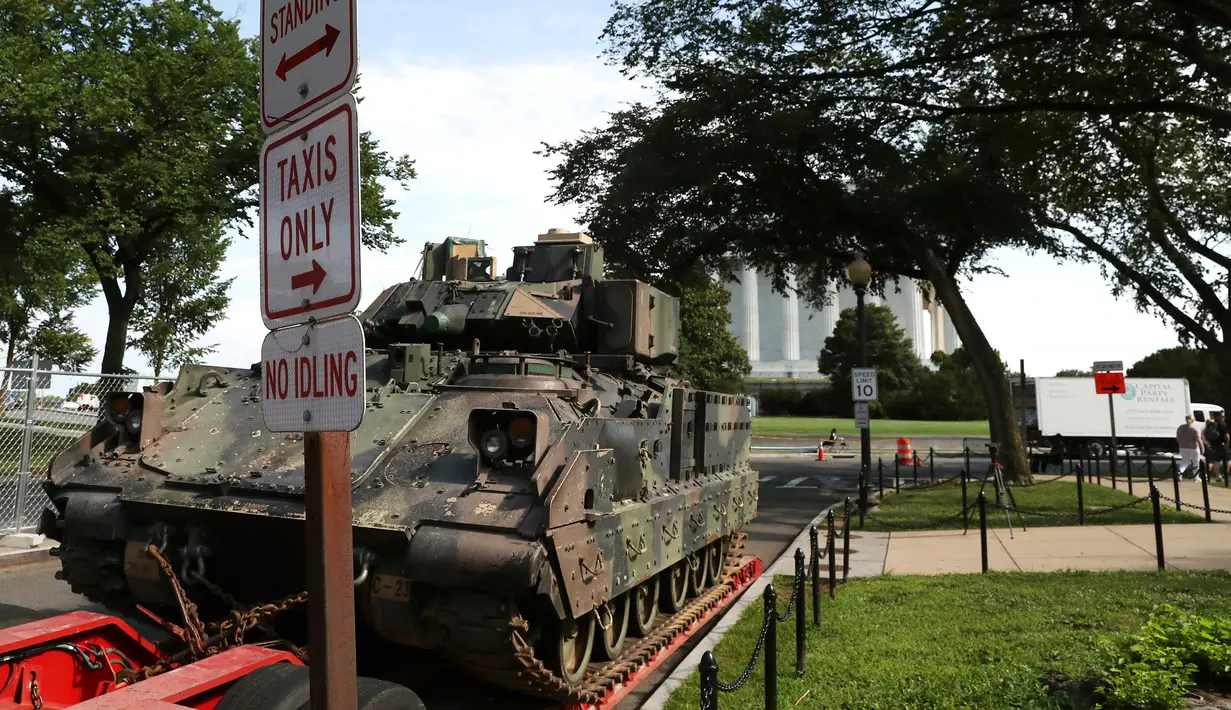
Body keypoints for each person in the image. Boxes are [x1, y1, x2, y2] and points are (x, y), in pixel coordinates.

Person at [1177, 415, 1204, 480]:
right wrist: (1202, 448)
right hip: (1193, 447)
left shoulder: (1181, 427)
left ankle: (1180, 471)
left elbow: (1178, 437)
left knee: (1185, 461)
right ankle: (1196, 477)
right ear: (1193, 420)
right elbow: (1198, 439)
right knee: (1196, 462)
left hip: (1182, 446)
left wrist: (1180, 443)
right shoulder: (1195, 428)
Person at [1204, 412, 1226, 482]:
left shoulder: (1205, 430)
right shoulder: (1219, 425)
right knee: (1215, 461)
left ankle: (1206, 474)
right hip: (1214, 445)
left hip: (1210, 446)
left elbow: (1205, 438)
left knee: (1212, 461)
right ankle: (1218, 476)